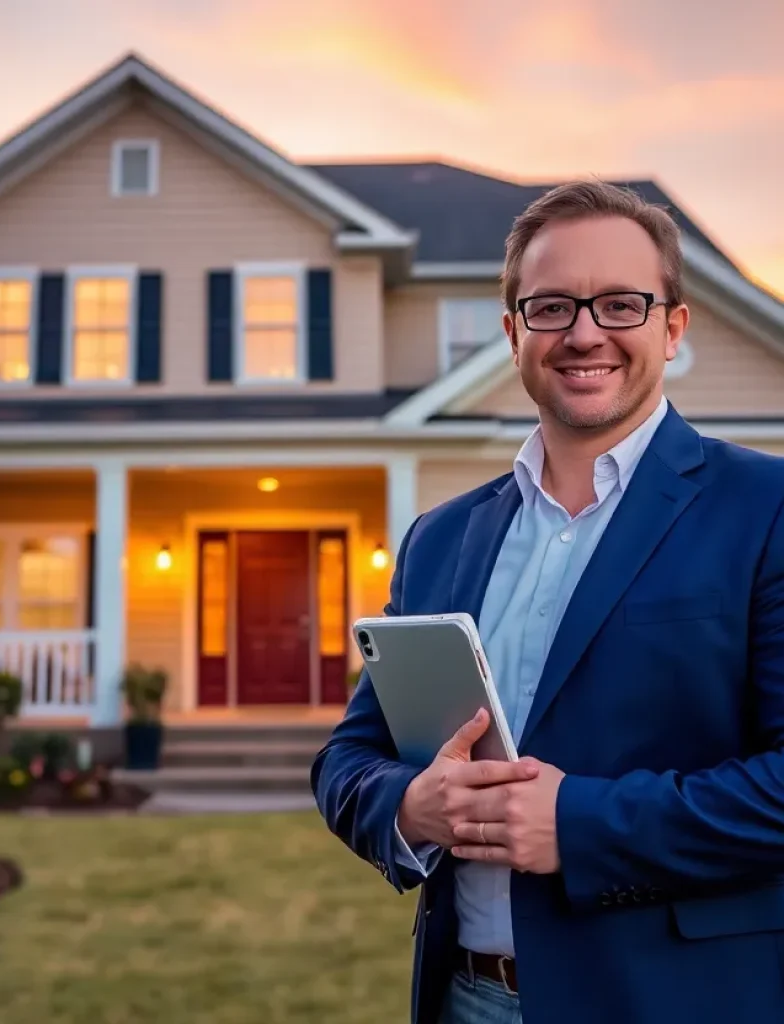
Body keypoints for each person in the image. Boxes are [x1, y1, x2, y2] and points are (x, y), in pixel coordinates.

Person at [311, 179, 784, 1024]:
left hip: (674, 1001)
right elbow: (351, 757)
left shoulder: (765, 510)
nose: (585, 333)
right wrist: (411, 807)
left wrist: (578, 822)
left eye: (621, 304)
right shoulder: (439, 537)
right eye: (553, 307)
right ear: (513, 332)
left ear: (673, 327)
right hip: (465, 997)